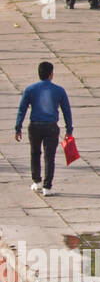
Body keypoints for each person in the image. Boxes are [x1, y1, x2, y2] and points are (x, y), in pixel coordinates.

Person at [15, 61, 73, 197]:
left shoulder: (30, 89)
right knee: (49, 157)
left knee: (35, 153)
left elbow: (22, 110)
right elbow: (66, 111)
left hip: (34, 126)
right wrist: (69, 129)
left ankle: (36, 182)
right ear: (51, 74)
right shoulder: (59, 90)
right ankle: (48, 187)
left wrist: (18, 127)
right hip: (51, 127)